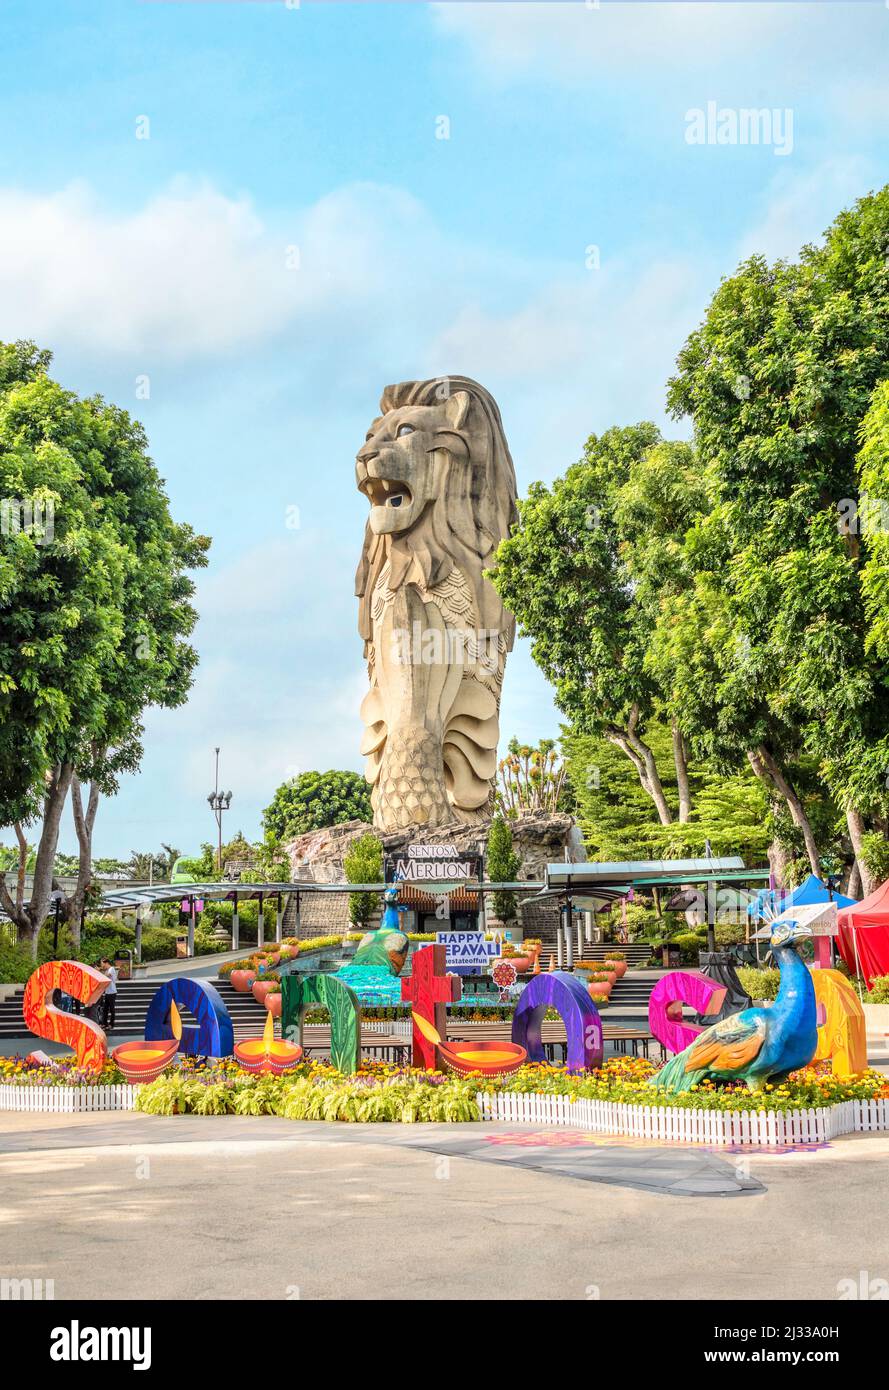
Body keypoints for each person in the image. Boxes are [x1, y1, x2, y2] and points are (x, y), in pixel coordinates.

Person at [99, 957, 118, 1032]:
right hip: (107, 992)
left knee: (112, 1009)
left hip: (112, 992)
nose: (101, 965)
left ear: (106, 962)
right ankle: (104, 1023)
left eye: (102, 963)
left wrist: (99, 971)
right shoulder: (107, 970)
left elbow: (107, 975)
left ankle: (111, 1024)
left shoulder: (111, 969)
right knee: (105, 1009)